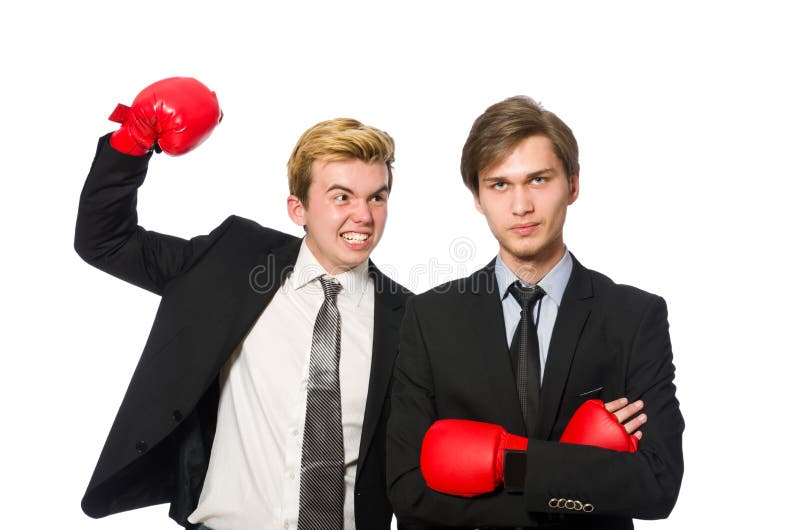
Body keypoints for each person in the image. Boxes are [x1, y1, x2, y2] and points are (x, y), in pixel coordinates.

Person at [75, 77, 412, 530]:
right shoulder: (231, 263)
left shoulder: (410, 319)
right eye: (341, 197)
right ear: (298, 209)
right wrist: (132, 140)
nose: (364, 216)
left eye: (377, 197)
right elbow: (106, 241)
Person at [387, 96, 684, 529]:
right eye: (500, 185)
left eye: (539, 180)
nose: (521, 206)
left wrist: (504, 465)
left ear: (573, 185)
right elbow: (408, 490)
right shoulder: (430, 318)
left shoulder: (633, 317)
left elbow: (658, 486)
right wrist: (576, 469)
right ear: (477, 197)